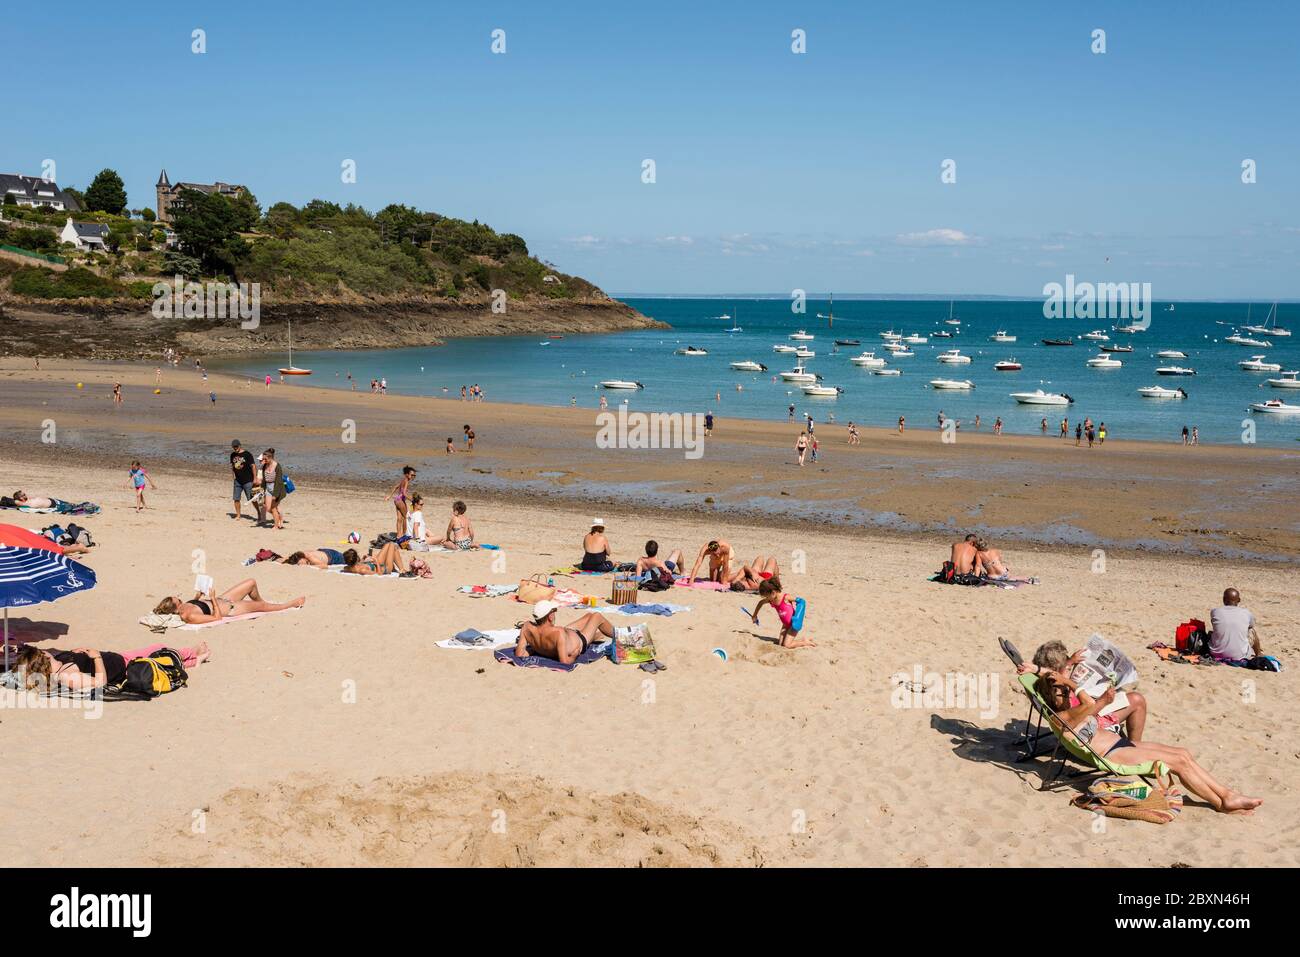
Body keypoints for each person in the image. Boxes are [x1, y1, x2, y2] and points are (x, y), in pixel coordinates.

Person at [1025, 642, 1261, 814]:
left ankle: (1226, 796)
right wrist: (1070, 683)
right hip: (1113, 754)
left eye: (1066, 691)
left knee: (1183, 754)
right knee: (1178, 764)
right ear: (1049, 697)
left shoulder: (1066, 707)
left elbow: (1067, 689)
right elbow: (1086, 702)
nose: (1065, 694)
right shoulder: (1062, 717)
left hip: (1121, 744)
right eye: (1060, 692)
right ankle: (1223, 801)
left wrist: (1054, 677)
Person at [10, 641, 212, 693]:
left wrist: (75, 652)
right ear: (42, 660)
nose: (46, 652)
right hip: (124, 667)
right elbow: (99, 683)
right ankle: (192, 653)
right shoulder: (66, 677)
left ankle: (194, 660)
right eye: (43, 653)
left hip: (118, 659)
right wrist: (96, 657)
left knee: (159, 658)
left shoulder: (58, 664)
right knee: (158, 650)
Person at [153, 579, 305, 624]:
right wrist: (212, 598)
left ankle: (263, 605)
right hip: (232, 608)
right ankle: (290, 604)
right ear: (175, 607)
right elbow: (216, 618)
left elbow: (196, 604)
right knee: (262, 607)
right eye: (178, 600)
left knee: (251, 582)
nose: (181, 599)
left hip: (224, 598)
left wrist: (198, 595)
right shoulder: (188, 616)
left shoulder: (184, 606)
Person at [516, 599, 617, 664]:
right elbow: (564, 662)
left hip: (567, 634)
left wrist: (535, 648)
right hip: (580, 639)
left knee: (589, 616)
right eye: (554, 612)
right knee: (596, 616)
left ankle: (597, 635)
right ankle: (619, 635)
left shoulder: (526, 627)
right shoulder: (558, 632)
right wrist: (574, 655)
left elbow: (519, 654)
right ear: (550, 616)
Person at [751, 579, 815, 648]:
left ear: (773, 593)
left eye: (767, 596)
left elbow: (801, 601)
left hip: (793, 625)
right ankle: (802, 639)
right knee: (780, 644)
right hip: (785, 625)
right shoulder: (772, 599)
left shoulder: (785, 597)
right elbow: (760, 603)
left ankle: (804, 642)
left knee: (787, 645)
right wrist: (754, 615)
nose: (767, 599)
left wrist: (797, 617)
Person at [1208, 588, 1263, 662]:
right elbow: (1251, 625)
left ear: (1224, 599)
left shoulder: (1215, 611)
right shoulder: (1246, 613)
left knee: (1211, 632)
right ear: (1239, 600)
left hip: (1216, 654)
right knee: (1251, 631)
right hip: (1240, 656)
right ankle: (1258, 654)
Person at [229, 440, 258, 522]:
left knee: (252, 499)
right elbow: (232, 466)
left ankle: (259, 514)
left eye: (236, 446)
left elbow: (253, 466)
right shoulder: (232, 455)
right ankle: (238, 515)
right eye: (233, 447)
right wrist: (233, 476)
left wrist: (255, 478)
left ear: (240, 445)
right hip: (237, 481)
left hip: (248, 480)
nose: (235, 448)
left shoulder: (247, 454)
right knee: (236, 499)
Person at [257, 449, 286, 530]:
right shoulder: (264, 465)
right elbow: (263, 479)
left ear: (271, 458)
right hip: (268, 488)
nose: (263, 460)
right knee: (268, 508)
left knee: (273, 508)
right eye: (263, 459)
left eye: (265, 459)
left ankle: (276, 525)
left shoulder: (277, 466)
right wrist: (262, 489)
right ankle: (279, 518)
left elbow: (279, 481)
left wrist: (275, 495)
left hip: (277, 488)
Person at [342, 544, 409, 575]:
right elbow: (379, 574)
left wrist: (363, 560)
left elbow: (352, 566)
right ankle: (401, 569)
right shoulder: (362, 570)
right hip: (385, 569)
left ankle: (400, 568)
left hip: (375, 565)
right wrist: (376, 561)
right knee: (392, 545)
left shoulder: (348, 567)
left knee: (388, 545)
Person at [387, 466, 416, 538]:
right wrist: (412, 500)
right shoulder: (406, 481)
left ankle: (398, 535)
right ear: (407, 474)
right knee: (405, 517)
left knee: (399, 519)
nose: (413, 476)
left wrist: (389, 496)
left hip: (396, 500)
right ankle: (403, 534)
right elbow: (404, 493)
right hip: (400, 500)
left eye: (414, 475)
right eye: (412, 475)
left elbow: (396, 487)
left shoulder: (403, 480)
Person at [281, 548, 347, 568]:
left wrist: (309, 567)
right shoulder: (300, 554)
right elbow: (290, 557)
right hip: (323, 551)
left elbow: (325, 566)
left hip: (333, 557)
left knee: (348, 559)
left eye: (307, 563)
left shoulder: (311, 558)